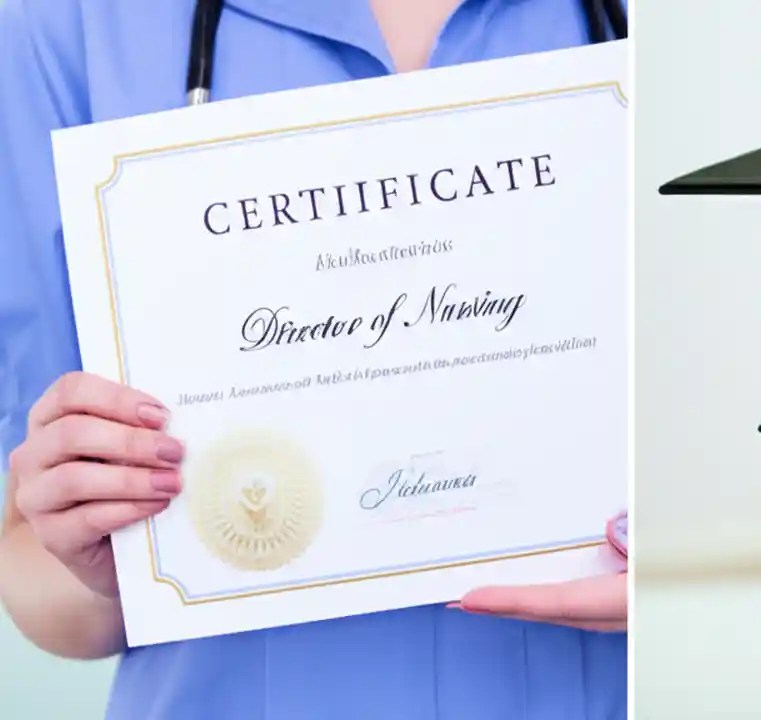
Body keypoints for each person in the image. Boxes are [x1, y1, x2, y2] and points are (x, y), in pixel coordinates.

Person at [0, 1, 627, 718]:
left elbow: (754, 484)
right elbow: (33, 565)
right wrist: (107, 566)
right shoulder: (70, 22)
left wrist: (687, 567)